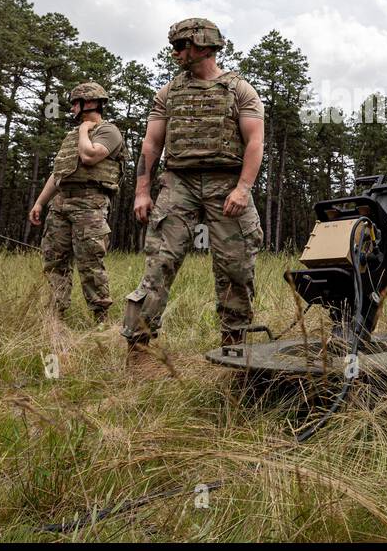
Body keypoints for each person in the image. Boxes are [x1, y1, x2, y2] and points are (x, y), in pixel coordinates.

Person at [121, 18, 265, 363]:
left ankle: (235, 352)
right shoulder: (168, 93)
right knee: (159, 265)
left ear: (203, 45)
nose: (174, 53)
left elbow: (255, 142)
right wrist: (142, 190)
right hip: (178, 182)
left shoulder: (240, 89)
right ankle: (138, 354)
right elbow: (151, 145)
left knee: (236, 269)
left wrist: (243, 188)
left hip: (227, 182)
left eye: (181, 46)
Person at [30, 82, 126, 325]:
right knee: (54, 262)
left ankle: (100, 321)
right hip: (61, 204)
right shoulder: (72, 136)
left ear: (90, 103)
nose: (72, 107)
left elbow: (89, 156)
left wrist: (85, 129)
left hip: (89, 204)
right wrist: (40, 203)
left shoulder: (109, 131)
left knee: (90, 263)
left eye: (76, 102)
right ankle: (54, 318)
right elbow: (58, 174)